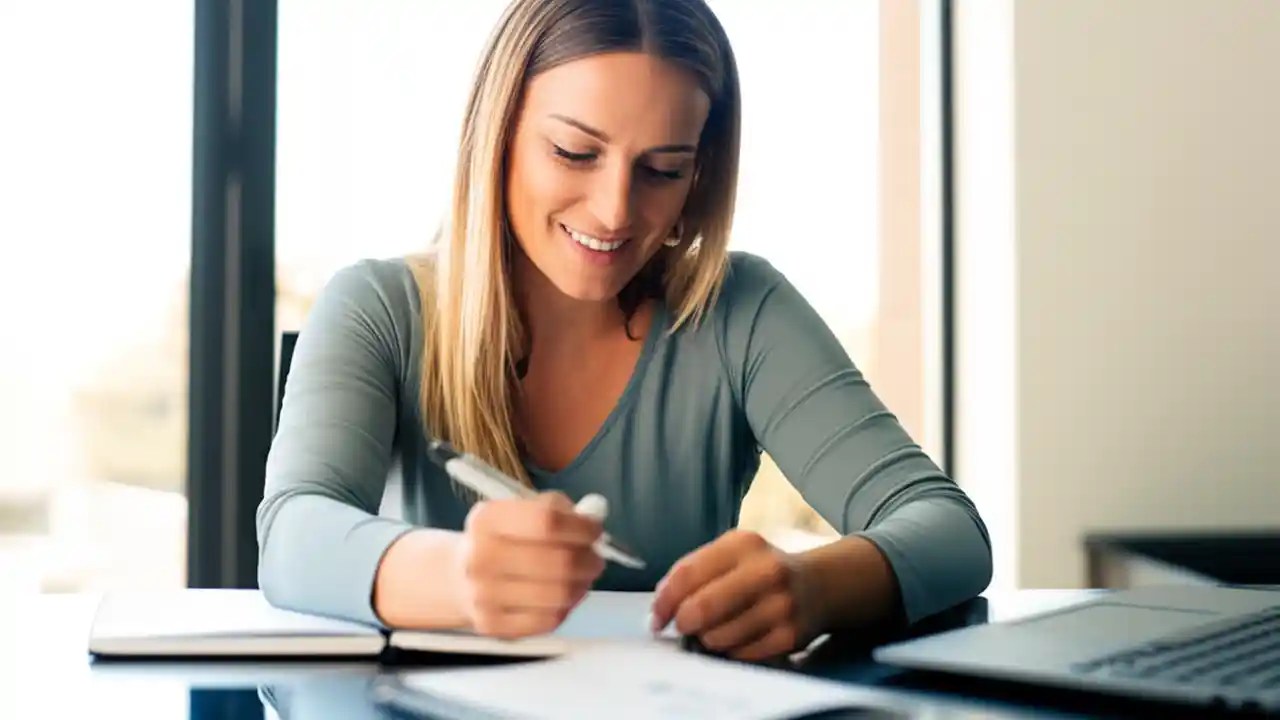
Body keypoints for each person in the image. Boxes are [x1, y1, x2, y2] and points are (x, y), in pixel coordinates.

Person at [257, 0, 992, 662]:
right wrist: (456, 576)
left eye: (663, 170)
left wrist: (815, 587)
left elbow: (949, 531)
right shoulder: (379, 305)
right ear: (500, 134)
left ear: (700, 173)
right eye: (574, 153)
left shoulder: (741, 310)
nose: (614, 211)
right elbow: (291, 535)